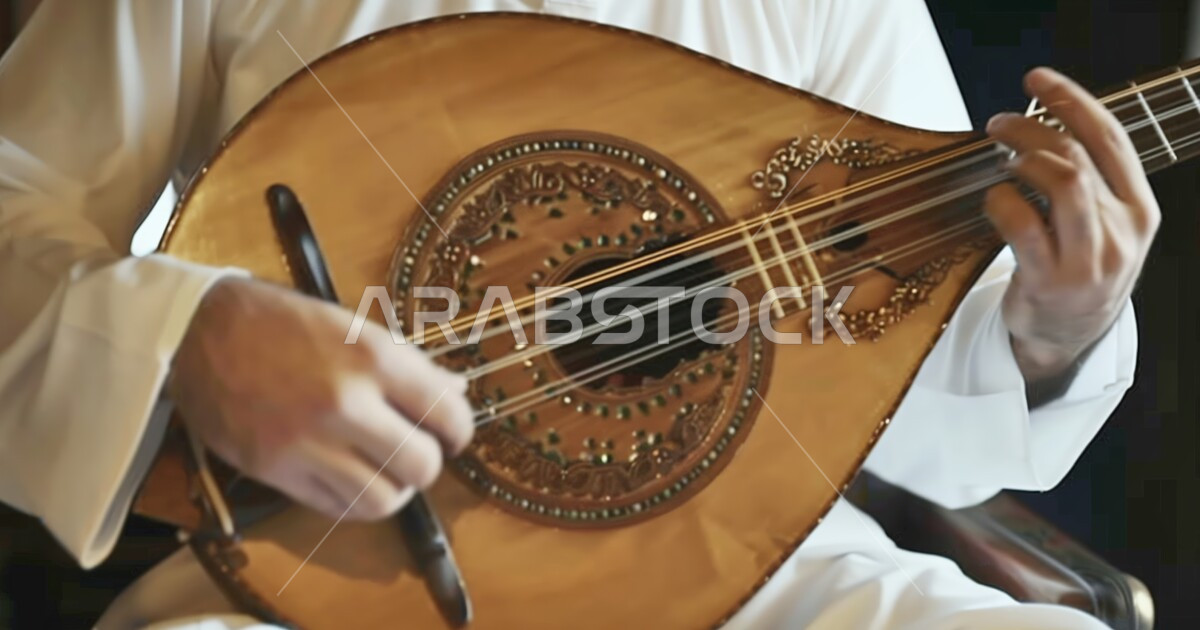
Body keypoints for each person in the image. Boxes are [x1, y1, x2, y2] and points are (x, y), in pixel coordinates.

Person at [0, 1, 1156, 628]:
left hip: (748, 578)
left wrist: (1053, 326)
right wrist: (187, 335)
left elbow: (898, 349)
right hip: (326, 578)